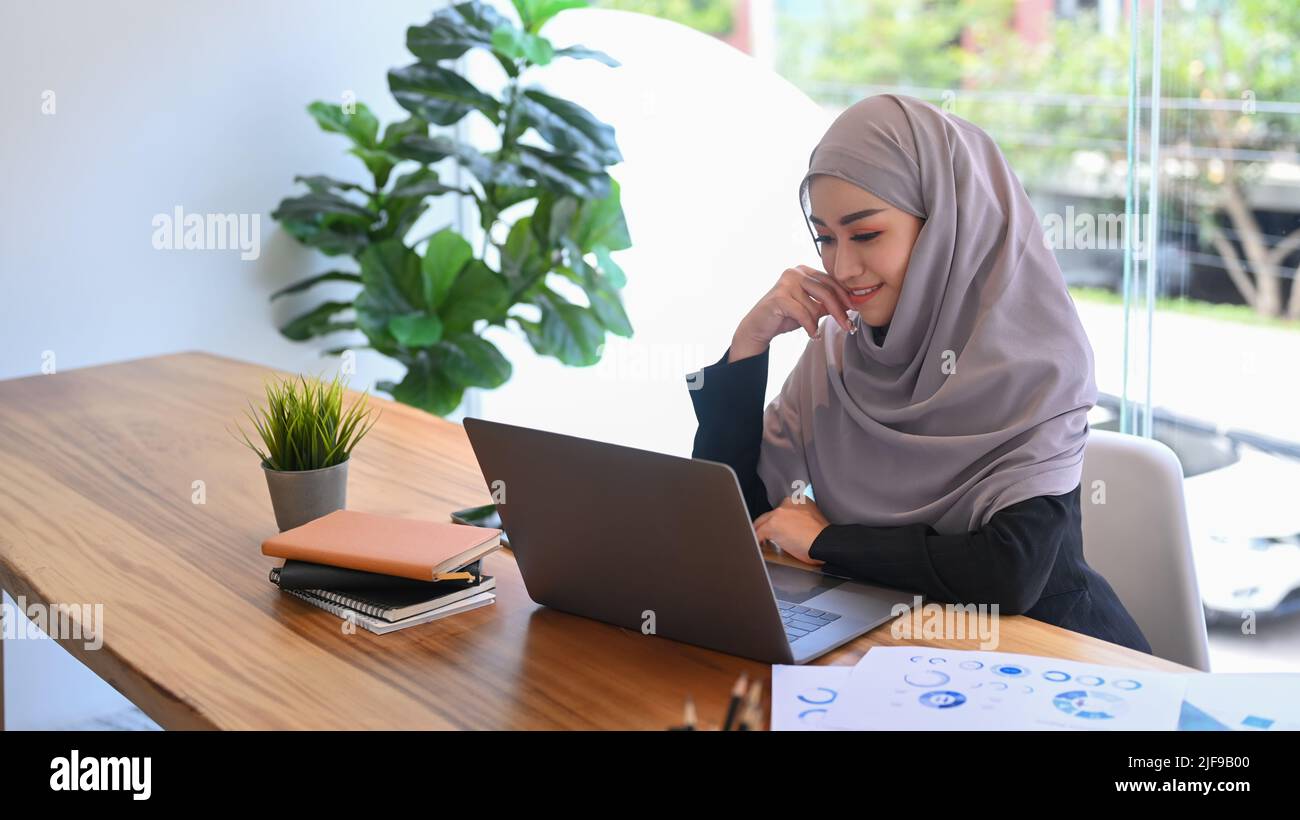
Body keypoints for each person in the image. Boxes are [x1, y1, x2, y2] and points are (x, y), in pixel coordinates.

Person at [686, 94, 1151, 653]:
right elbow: (737, 518)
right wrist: (748, 347)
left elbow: (1007, 573)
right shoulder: (839, 351)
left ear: (946, 228)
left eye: (866, 235)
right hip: (892, 650)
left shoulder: (1040, 365)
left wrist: (830, 543)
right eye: (826, 237)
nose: (841, 268)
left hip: (1050, 659)